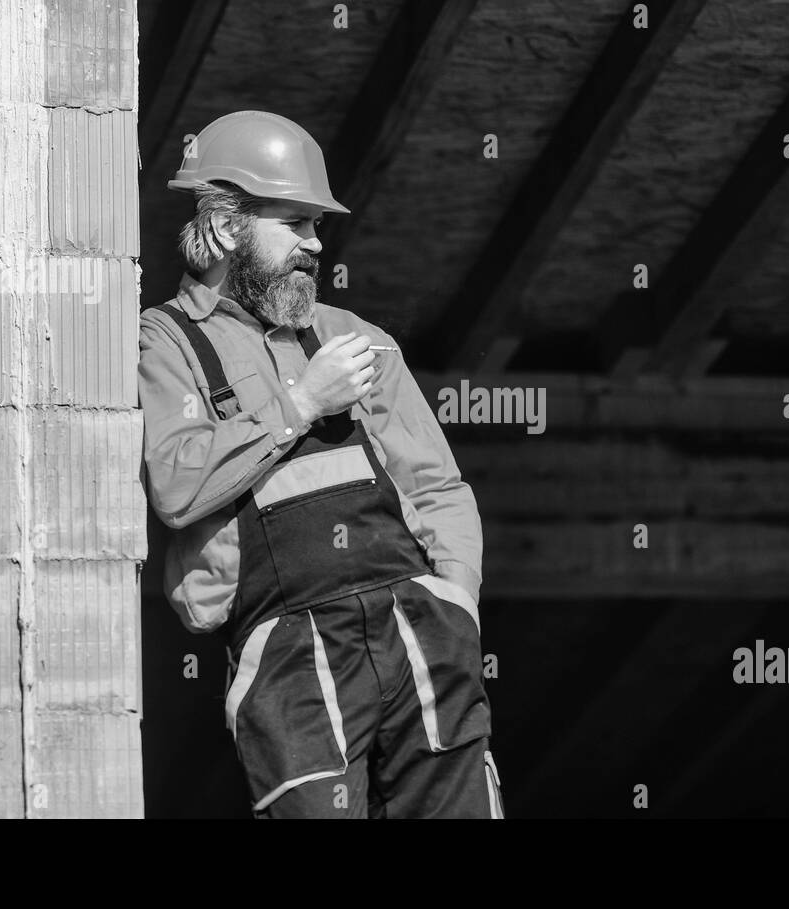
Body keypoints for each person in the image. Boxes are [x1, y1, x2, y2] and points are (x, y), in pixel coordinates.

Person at [137, 111, 504, 818]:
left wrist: (457, 603)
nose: (316, 244)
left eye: (317, 226)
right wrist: (303, 400)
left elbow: (438, 486)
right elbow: (177, 484)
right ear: (223, 225)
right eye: (296, 224)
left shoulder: (357, 338)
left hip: (419, 628)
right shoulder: (166, 342)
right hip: (286, 656)